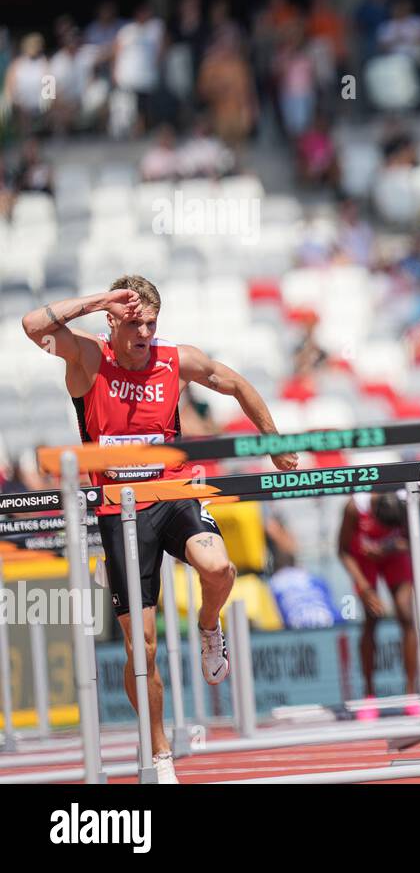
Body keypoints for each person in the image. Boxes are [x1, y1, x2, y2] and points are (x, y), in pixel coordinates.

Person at [20, 276, 298, 782]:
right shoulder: (86, 357)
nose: (145, 332)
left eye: (151, 322)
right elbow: (31, 324)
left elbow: (234, 382)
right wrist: (98, 300)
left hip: (173, 493)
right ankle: (160, 750)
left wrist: (272, 440)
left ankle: (209, 627)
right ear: (112, 320)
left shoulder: (174, 359)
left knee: (220, 567)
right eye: (134, 322)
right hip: (119, 509)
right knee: (141, 647)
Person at [337, 491, 418, 702]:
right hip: (364, 558)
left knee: (406, 613)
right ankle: (369, 693)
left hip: (393, 555)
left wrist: (389, 547)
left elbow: (415, 541)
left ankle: (411, 691)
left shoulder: (405, 501)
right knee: (372, 617)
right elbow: (342, 551)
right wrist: (363, 587)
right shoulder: (354, 508)